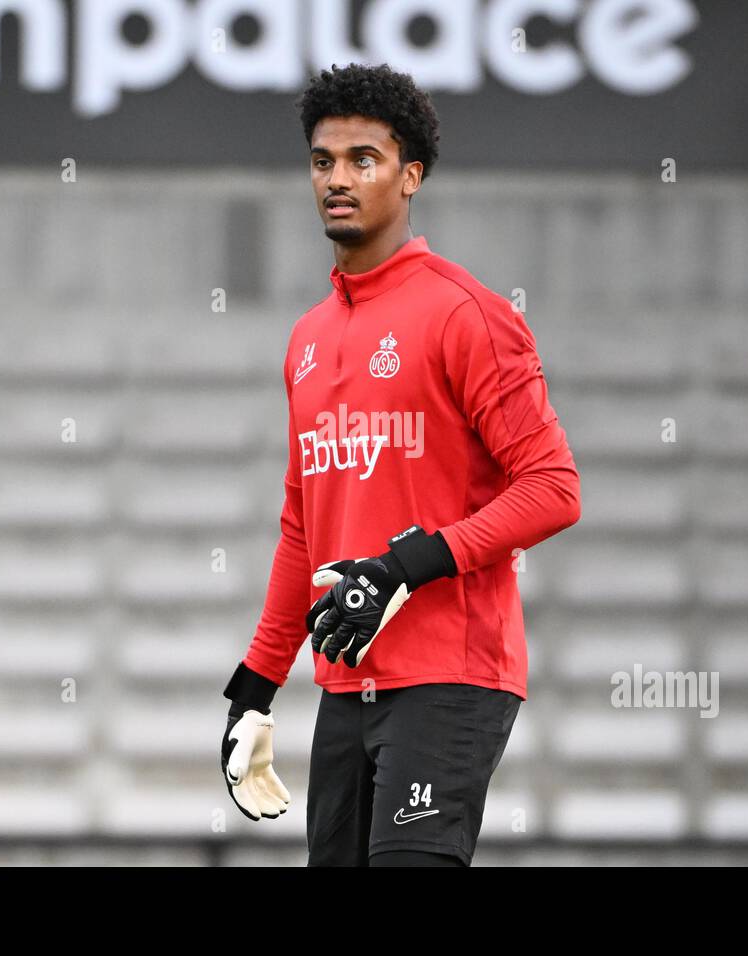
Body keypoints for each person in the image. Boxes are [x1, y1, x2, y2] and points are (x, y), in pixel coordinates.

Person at [220, 62, 581, 867]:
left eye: (363, 159)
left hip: (450, 677)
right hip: (347, 687)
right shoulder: (307, 339)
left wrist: (406, 565)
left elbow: (555, 489)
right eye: (323, 161)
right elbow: (299, 528)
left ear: (410, 175)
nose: (337, 179)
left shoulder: (467, 315)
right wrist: (256, 684)